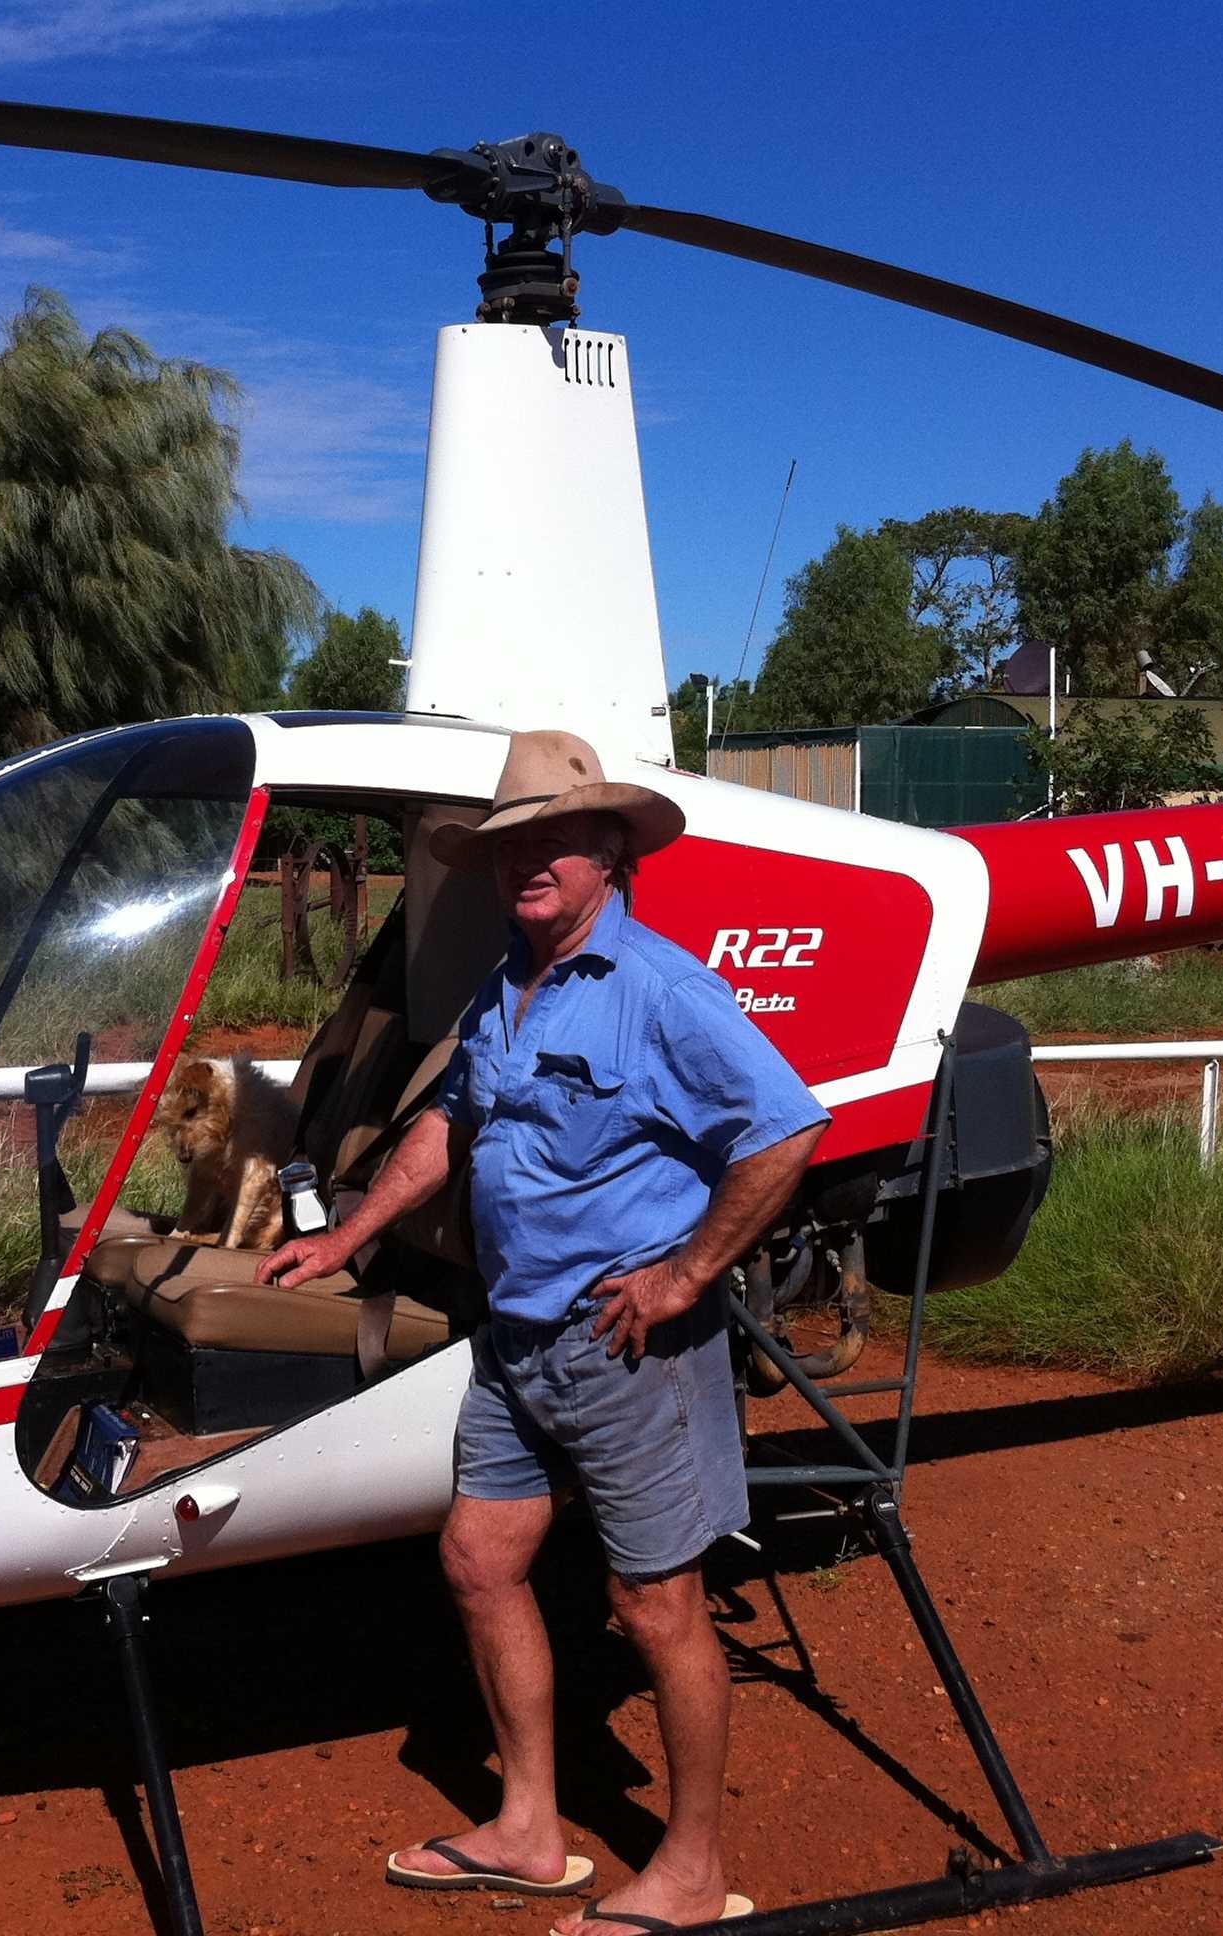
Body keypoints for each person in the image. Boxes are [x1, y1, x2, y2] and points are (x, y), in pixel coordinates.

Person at [257, 728, 827, 1935]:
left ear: (608, 854)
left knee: (655, 1605)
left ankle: (691, 1868)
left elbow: (783, 1130)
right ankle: (528, 1830)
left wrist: (686, 1274)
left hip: (627, 1343)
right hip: (517, 1341)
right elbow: (451, 1127)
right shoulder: (502, 986)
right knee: (478, 1560)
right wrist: (350, 1230)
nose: (530, 862)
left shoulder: (662, 991)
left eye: (557, 840)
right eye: (513, 842)